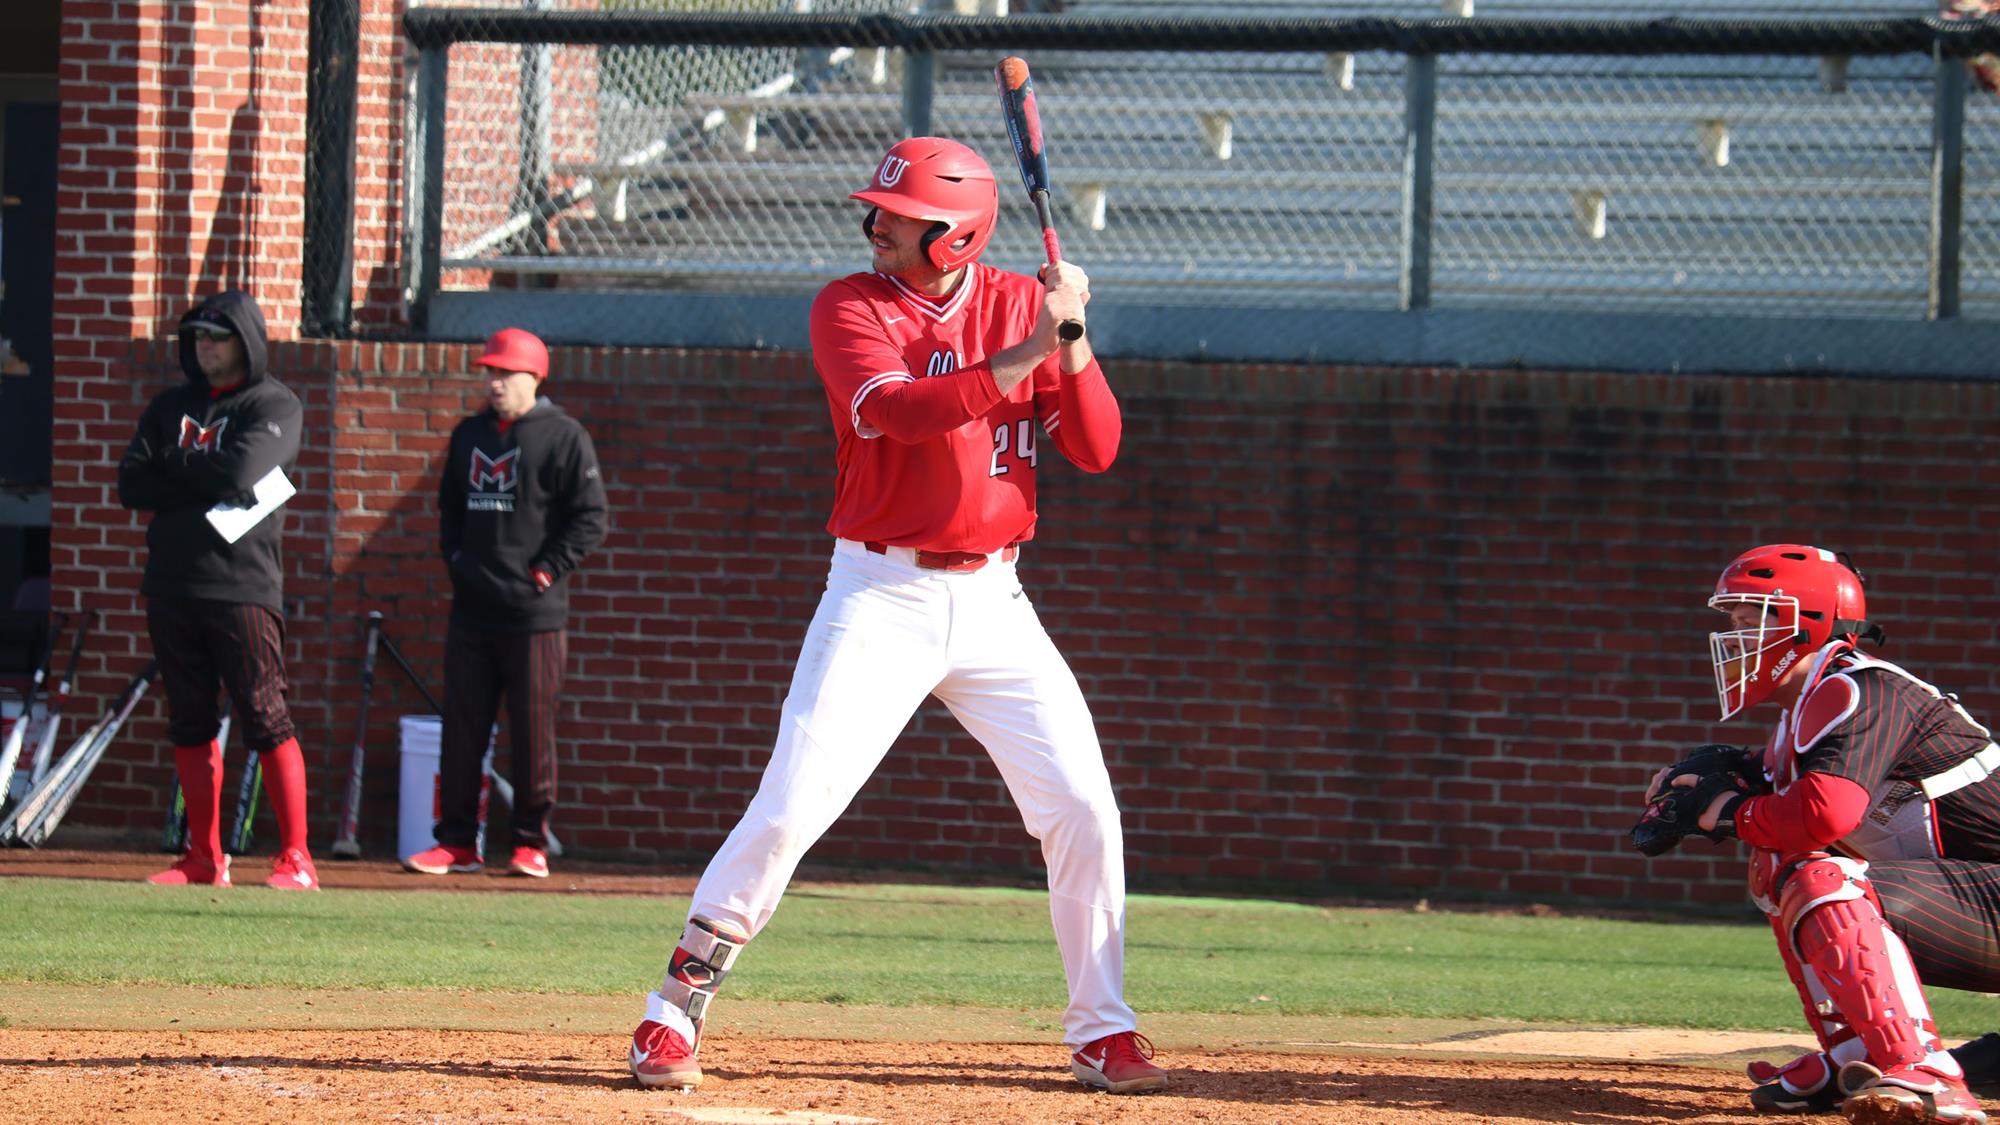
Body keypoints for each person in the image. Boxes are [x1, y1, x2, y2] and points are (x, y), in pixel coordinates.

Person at [625, 136, 1167, 1097]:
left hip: (996, 599)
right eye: (877, 211)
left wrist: (1074, 336)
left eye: (898, 217)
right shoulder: (849, 306)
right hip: (879, 592)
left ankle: (1104, 1029)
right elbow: (906, 413)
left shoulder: (1018, 305)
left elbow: (1097, 447)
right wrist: (1035, 347)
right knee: (792, 806)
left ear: (954, 235)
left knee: (1083, 805)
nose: (875, 225)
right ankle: (673, 1009)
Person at [1638, 544, 2000, 1124]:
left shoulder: (1863, 689)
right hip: (1983, 897)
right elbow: (1791, 797)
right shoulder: (1811, 708)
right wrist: (1710, 780)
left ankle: (1928, 1075)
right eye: (1731, 619)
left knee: (1822, 875)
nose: (1734, 635)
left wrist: (1725, 808)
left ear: (1806, 620)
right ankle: (1861, 1054)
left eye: (1749, 617)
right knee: (1780, 863)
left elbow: (1824, 813)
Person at [116, 288, 317, 890]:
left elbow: (239, 472)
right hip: (172, 583)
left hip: (242, 585)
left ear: (246, 342)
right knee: (189, 721)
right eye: (197, 338)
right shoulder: (169, 404)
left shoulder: (274, 403)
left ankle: (297, 857)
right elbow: (131, 485)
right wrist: (195, 477)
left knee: (265, 714)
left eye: (217, 337)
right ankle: (203, 857)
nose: (204, 349)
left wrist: (172, 473)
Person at [402, 327, 605, 879]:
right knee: (463, 728)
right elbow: (448, 511)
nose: (493, 382)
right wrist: (458, 563)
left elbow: (590, 518)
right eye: (489, 372)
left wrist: (543, 572)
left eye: (505, 373)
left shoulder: (564, 436)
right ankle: (457, 843)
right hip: (472, 610)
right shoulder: (469, 435)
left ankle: (528, 844)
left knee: (532, 728)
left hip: (534, 617)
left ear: (535, 377)